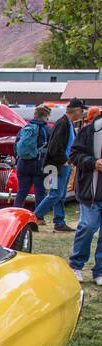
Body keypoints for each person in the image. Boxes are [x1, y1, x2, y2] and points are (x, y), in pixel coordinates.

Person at [34, 98, 84, 232]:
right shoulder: (63, 123)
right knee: (56, 194)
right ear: (76, 110)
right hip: (58, 165)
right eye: (81, 110)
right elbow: (55, 146)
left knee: (61, 195)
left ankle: (59, 222)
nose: (82, 113)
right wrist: (65, 160)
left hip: (62, 165)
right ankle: (35, 216)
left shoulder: (68, 123)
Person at [67, 107, 102, 283]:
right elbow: (74, 155)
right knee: (87, 227)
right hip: (91, 191)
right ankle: (76, 265)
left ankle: (100, 271)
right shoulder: (89, 131)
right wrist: (93, 162)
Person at [13, 104, 52, 210]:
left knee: (21, 191)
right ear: (46, 116)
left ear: (34, 115)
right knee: (40, 192)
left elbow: (16, 145)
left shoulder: (25, 128)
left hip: (23, 163)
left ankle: (16, 212)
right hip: (39, 163)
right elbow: (52, 148)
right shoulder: (47, 130)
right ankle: (38, 217)